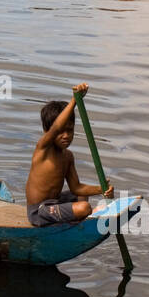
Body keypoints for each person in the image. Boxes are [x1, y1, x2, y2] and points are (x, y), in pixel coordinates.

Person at [26, 84, 112, 227]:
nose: (66, 136)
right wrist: (75, 100)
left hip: (54, 203)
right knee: (85, 207)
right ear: (48, 132)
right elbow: (56, 127)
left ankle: (76, 221)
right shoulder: (43, 148)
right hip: (38, 212)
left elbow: (76, 187)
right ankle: (82, 217)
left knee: (81, 196)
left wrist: (102, 189)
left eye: (70, 130)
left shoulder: (68, 157)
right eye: (61, 132)